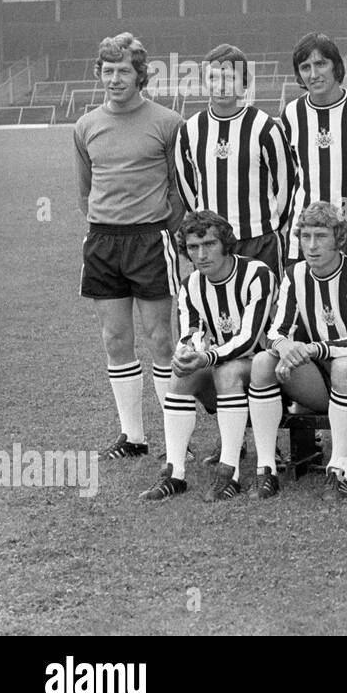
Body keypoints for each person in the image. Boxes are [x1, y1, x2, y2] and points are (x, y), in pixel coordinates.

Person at [75, 32, 185, 459]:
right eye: (108, 70)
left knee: (161, 339)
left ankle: (178, 437)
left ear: (141, 75)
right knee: (115, 338)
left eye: (124, 70)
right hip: (103, 241)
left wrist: (161, 228)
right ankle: (133, 436)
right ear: (99, 73)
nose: (115, 78)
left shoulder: (167, 122)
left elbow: (180, 190)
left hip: (150, 240)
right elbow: (84, 191)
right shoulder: (85, 126)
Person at [248, 202, 347, 501]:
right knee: (262, 363)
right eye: (305, 236)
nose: (311, 245)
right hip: (323, 376)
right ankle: (266, 470)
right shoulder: (295, 275)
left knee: (346, 366)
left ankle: (339, 470)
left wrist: (310, 349)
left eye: (320, 236)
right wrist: (285, 347)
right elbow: (276, 331)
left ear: (339, 239)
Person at [139, 211, 276, 502]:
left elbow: (251, 339)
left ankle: (231, 474)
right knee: (181, 374)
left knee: (227, 371)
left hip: (267, 369)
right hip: (223, 364)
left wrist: (208, 357)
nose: (201, 254)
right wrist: (187, 351)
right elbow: (192, 332)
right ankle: (174, 474)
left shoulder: (258, 274)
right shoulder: (191, 285)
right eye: (193, 248)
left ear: (226, 243)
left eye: (209, 244)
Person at [176, 43, 297, 279]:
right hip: (210, 243)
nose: (221, 85)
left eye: (229, 77)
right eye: (213, 77)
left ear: (244, 83)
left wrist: (266, 223)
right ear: (204, 82)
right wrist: (206, 226)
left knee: (265, 312)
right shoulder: (190, 130)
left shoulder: (265, 127)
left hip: (259, 241)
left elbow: (285, 184)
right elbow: (188, 189)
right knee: (217, 312)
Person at [279, 32, 347, 266]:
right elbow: (285, 175)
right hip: (304, 240)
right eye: (305, 67)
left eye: (321, 64)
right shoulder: (291, 114)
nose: (313, 74)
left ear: (336, 66)